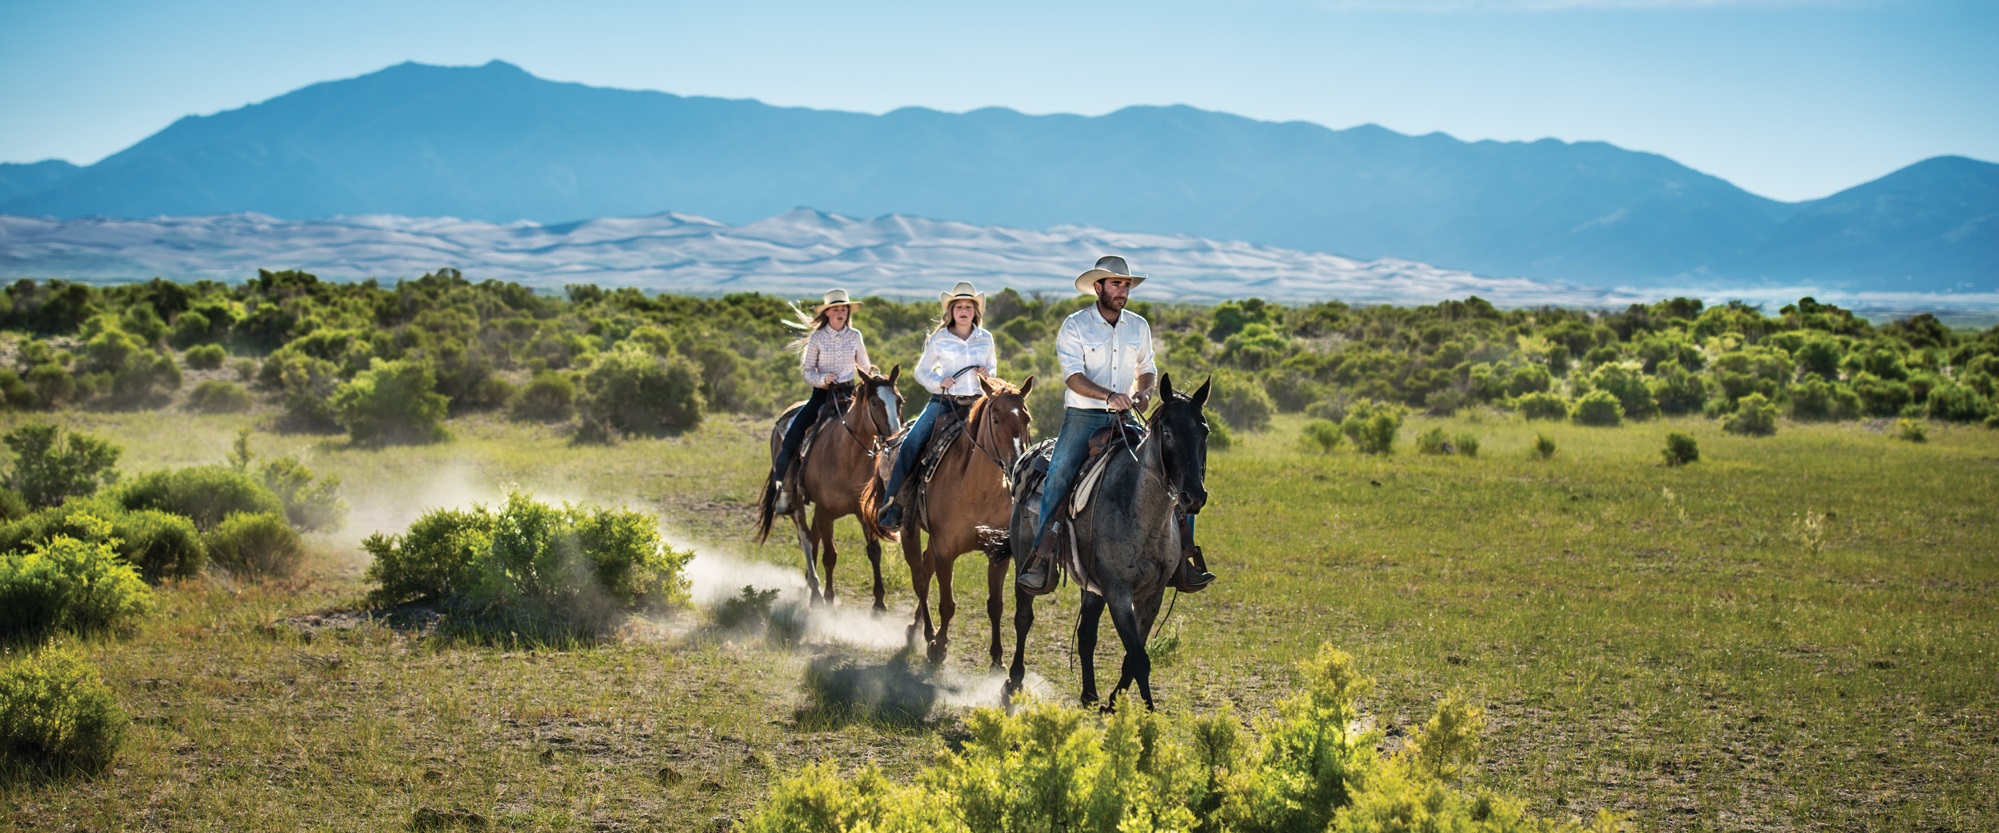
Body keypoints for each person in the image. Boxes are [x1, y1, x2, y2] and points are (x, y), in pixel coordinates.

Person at [1018, 256, 1215, 594]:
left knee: (1176, 469)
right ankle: (1042, 558)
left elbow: (1147, 368)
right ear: (1098, 288)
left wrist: (1143, 393)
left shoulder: (1138, 326)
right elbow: (1074, 378)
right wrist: (1108, 396)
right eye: (1115, 284)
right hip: (1084, 417)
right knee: (1060, 473)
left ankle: (1184, 559)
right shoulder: (1076, 325)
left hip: (1125, 416)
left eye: (1126, 285)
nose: (1122, 291)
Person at [877, 281, 999, 532]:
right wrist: (938, 381)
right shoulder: (939, 339)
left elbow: (993, 369)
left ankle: (1005, 502)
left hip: (977, 402)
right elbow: (921, 371)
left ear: (976, 311)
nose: (964, 311)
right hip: (945, 402)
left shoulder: (985, 338)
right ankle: (893, 504)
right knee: (912, 442)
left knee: (1005, 439)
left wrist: (988, 373)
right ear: (951, 311)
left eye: (968, 306)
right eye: (959, 307)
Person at [767, 289, 873, 514]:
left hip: (849, 394)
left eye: (844, 309)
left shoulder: (855, 336)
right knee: (792, 439)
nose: (840, 313)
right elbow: (807, 372)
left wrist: (873, 379)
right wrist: (823, 379)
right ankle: (784, 490)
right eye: (836, 309)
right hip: (822, 396)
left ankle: (880, 491)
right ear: (827, 313)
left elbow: (864, 366)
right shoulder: (817, 338)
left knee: (881, 432)